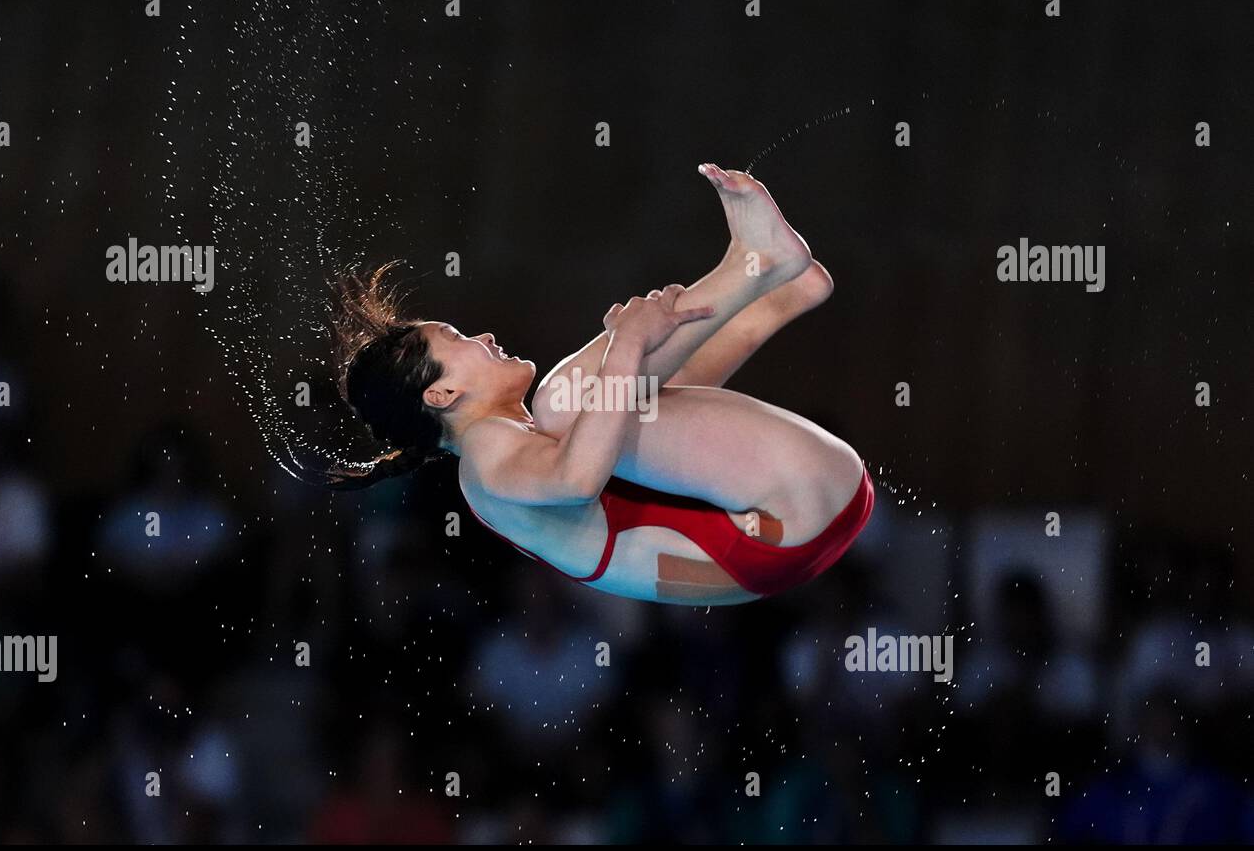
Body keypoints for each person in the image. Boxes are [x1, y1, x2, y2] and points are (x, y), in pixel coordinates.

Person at [318, 164, 873, 605]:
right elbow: (579, 480)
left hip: (799, 528)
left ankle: (775, 291)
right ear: (440, 395)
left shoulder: (506, 454)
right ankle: (758, 265)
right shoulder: (484, 460)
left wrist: (633, 350)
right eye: (459, 336)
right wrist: (628, 343)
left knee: (606, 402)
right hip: (777, 530)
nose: (484, 335)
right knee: (567, 401)